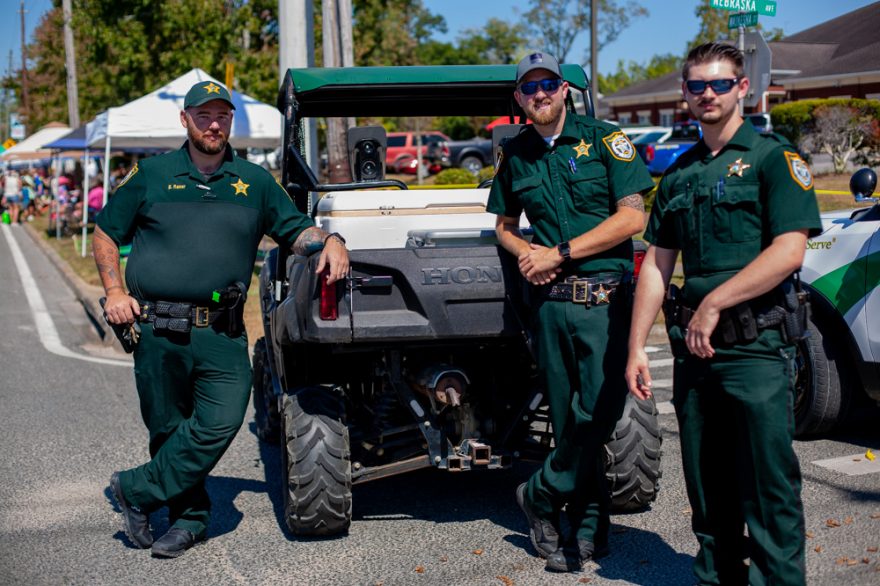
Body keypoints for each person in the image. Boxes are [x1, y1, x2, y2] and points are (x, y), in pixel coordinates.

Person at [94, 80, 350, 558]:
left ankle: (136, 489)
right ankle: (188, 519)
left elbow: (296, 231)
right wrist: (113, 291)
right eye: (204, 115)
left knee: (221, 420)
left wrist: (331, 241)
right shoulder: (150, 175)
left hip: (223, 331)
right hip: (157, 327)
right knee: (168, 428)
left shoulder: (253, 182)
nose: (214, 124)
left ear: (231, 122)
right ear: (185, 119)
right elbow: (106, 233)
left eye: (222, 116)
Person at [625, 42, 822, 586]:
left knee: (767, 487)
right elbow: (657, 267)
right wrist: (637, 347)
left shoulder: (773, 158)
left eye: (718, 84)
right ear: (684, 93)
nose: (706, 94)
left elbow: (789, 250)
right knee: (707, 488)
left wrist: (714, 301)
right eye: (696, 85)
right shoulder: (680, 174)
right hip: (695, 356)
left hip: (755, 348)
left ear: (743, 89)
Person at [487, 52, 654, 573]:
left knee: (599, 415)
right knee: (567, 422)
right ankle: (586, 529)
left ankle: (538, 493)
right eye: (529, 88)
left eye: (549, 84)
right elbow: (504, 226)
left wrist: (557, 252)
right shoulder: (515, 155)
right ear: (519, 97)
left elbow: (632, 218)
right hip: (553, 309)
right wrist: (525, 255)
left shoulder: (606, 140)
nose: (540, 94)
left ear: (565, 90)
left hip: (606, 303)